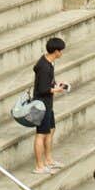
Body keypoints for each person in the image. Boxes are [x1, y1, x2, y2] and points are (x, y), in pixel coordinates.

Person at [30, 36, 68, 174]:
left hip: (48, 104)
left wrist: (56, 85)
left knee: (51, 129)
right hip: (42, 105)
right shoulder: (44, 67)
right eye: (61, 51)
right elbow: (42, 89)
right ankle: (39, 166)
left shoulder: (48, 63)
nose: (62, 53)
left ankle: (48, 160)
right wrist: (55, 89)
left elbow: (47, 83)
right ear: (56, 51)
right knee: (41, 134)